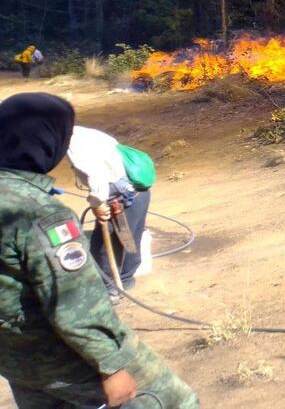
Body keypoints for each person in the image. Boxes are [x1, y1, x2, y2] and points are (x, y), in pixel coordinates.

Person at [0, 93, 198, 408]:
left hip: (15, 360)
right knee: (173, 400)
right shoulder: (40, 214)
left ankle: (124, 278)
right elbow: (74, 302)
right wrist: (111, 363)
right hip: (61, 357)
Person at [67, 126, 151, 294]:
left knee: (107, 245)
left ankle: (110, 288)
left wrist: (97, 203)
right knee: (130, 238)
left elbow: (96, 174)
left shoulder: (74, 143)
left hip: (120, 194)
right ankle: (124, 280)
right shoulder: (85, 132)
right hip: (136, 190)